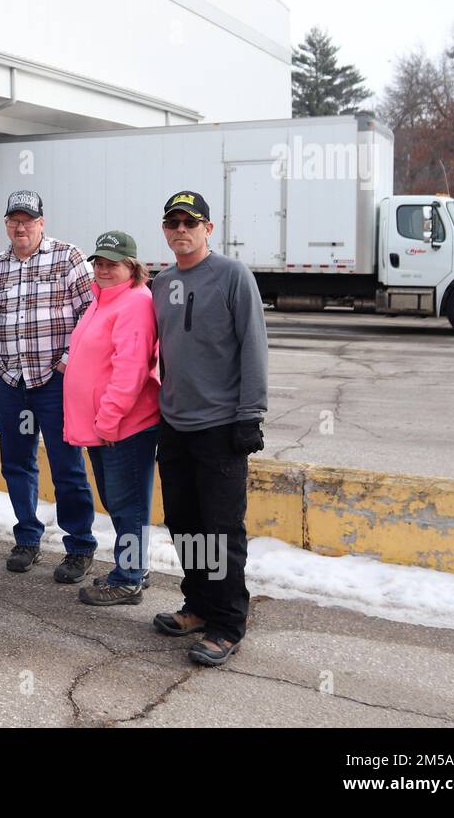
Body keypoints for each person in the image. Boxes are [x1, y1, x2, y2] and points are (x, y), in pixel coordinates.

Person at [151, 191, 268, 667]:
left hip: (221, 426)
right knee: (184, 524)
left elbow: (254, 345)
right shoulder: (161, 283)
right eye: (173, 222)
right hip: (174, 423)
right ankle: (197, 605)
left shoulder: (232, 276)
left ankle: (227, 623)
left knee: (220, 531)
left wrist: (250, 414)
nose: (181, 229)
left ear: (208, 229)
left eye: (190, 222)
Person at [0, 190, 98, 582]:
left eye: (28, 220)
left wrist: (68, 363)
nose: (20, 226)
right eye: (14, 219)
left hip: (56, 382)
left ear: (41, 223)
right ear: (6, 224)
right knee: (17, 463)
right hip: (11, 381)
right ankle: (27, 538)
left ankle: (80, 546)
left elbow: (91, 312)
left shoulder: (68, 257)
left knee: (67, 466)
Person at [62, 230, 160, 605]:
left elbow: (129, 371)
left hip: (122, 428)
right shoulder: (103, 300)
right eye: (98, 263)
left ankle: (129, 578)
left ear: (131, 267)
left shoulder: (134, 304)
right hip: (106, 427)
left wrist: (107, 420)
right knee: (122, 502)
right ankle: (133, 566)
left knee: (127, 504)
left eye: (112, 264)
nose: (103, 269)